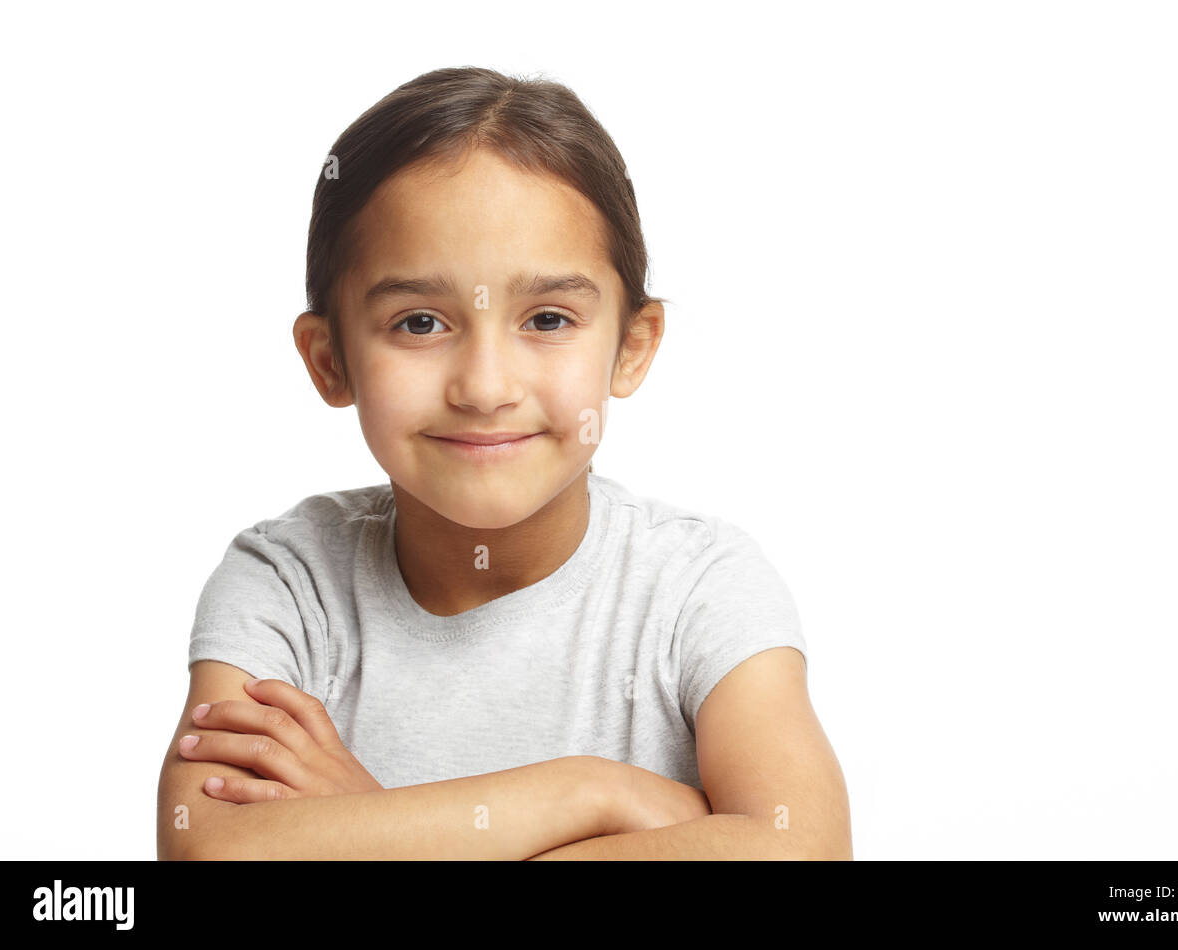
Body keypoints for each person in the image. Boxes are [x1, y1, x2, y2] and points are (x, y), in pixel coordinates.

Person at [157, 66, 851, 860]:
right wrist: (594, 791)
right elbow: (210, 850)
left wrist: (374, 822)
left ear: (631, 346)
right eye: (419, 322)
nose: (485, 388)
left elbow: (803, 852)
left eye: (548, 318)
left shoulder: (697, 586)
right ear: (329, 359)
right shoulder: (289, 580)